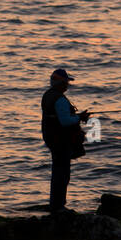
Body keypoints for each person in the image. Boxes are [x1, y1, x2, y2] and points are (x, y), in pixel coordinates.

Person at [41, 67, 91, 213]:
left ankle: (55, 205)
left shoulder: (47, 95)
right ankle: (59, 206)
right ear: (61, 83)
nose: (68, 85)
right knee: (62, 174)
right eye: (66, 82)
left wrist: (77, 117)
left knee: (57, 172)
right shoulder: (60, 100)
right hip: (61, 140)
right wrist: (80, 118)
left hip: (51, 138)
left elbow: (57, 118)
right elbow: (65, 121)